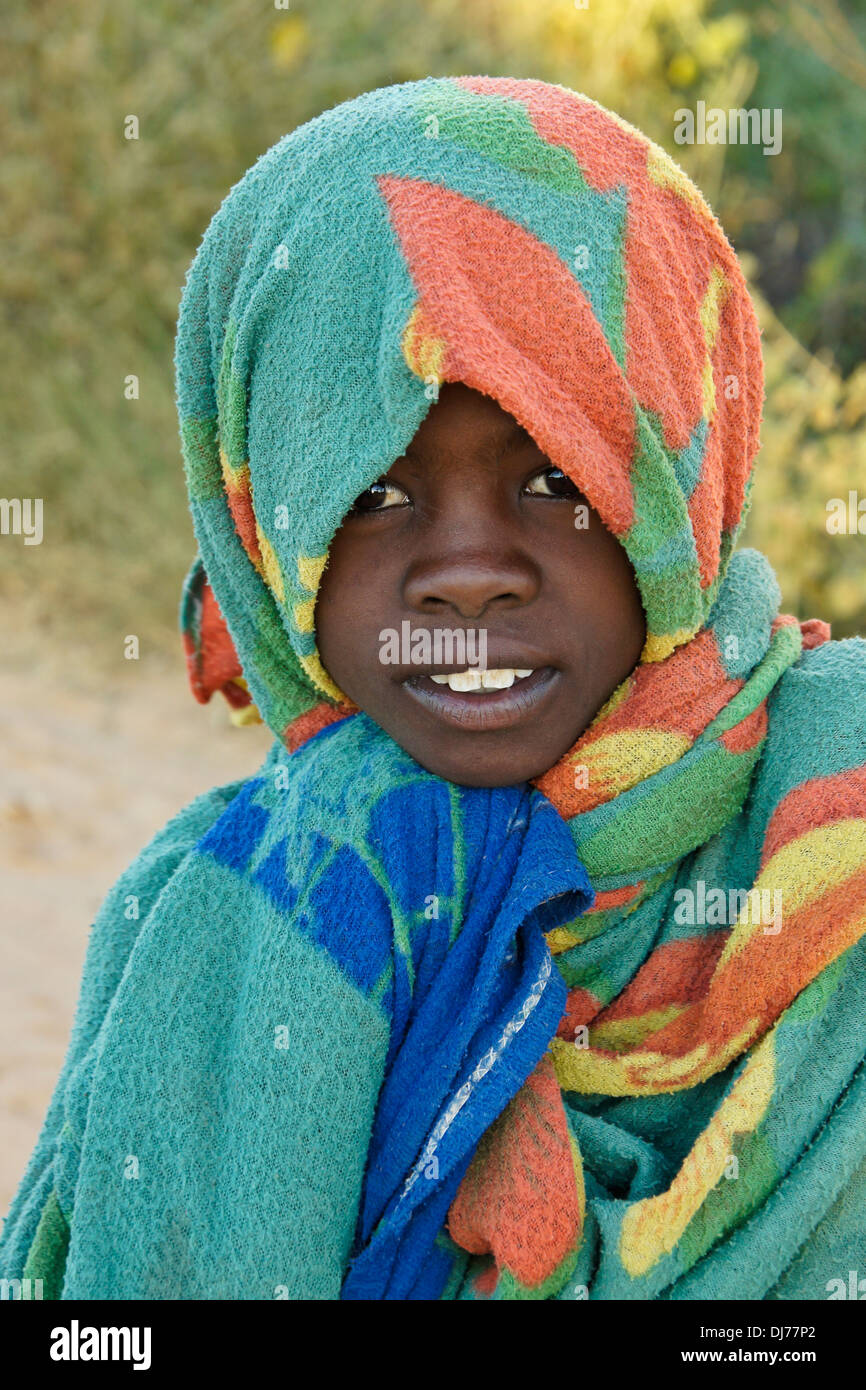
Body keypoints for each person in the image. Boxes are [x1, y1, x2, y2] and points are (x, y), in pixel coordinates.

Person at [2, 75, 865, 1302]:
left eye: (557, 483)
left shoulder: (835, 826)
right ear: (267, 533)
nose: (466, 576)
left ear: (679, 487)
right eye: (373, 494)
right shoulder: (233, 919)